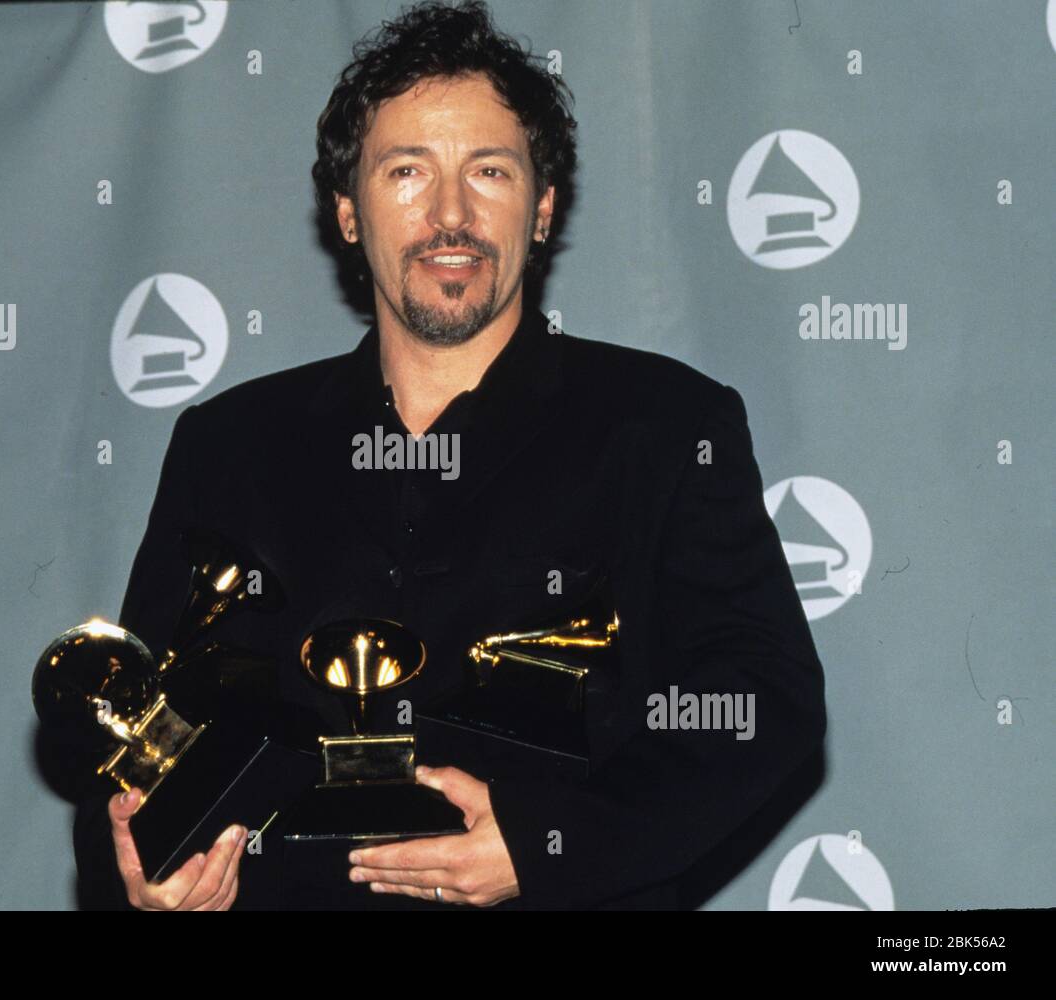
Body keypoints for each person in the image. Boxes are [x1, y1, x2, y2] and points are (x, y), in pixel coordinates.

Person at [72, 0, 827, 911]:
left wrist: (553, 844)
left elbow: (760, 705)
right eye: (406, 171)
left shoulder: (666, 428)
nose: (451, 215)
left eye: (491, 171)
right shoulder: (229, 446)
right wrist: (139, 870)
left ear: (543, 208)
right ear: (347, 212)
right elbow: (136, 730)